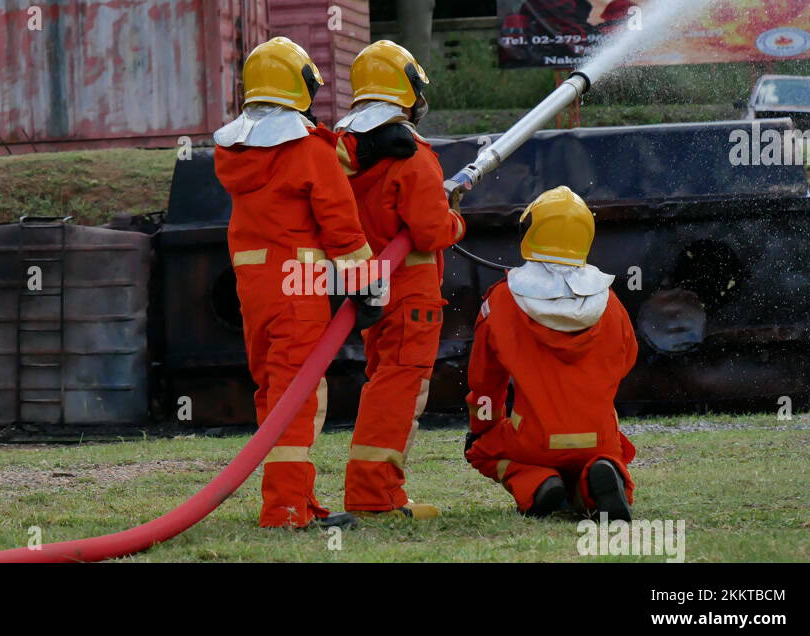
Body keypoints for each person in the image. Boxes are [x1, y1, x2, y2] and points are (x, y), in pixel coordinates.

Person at [213, 37, 375, 529]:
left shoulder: (234, 151)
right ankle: (285, 509)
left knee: (275, 390)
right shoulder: (308, 149)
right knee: (300, 394)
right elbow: (340, 223)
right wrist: (368, 283)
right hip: (300, 288)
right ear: (300, 86)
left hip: (255, 290)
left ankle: (292, 501)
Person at [334, 40, 466, 519]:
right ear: (408, 90)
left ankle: (372, 492)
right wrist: (456, 219)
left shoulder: (341, 154)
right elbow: (430, 232)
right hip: (411, 295)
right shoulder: (413, 156)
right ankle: (375, 497)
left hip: (371, 294)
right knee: (400, 388)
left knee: (381, 383)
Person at [463, 186, 638, 521]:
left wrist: (481, 428)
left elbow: (485, 382)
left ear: (528, 231)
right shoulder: (610, 302)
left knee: (480, 452)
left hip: (530, 438)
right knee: (603, 454)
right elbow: (625, 360)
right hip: (598, 436)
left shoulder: (501, 300)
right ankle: (595, 480)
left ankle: (537, 482)